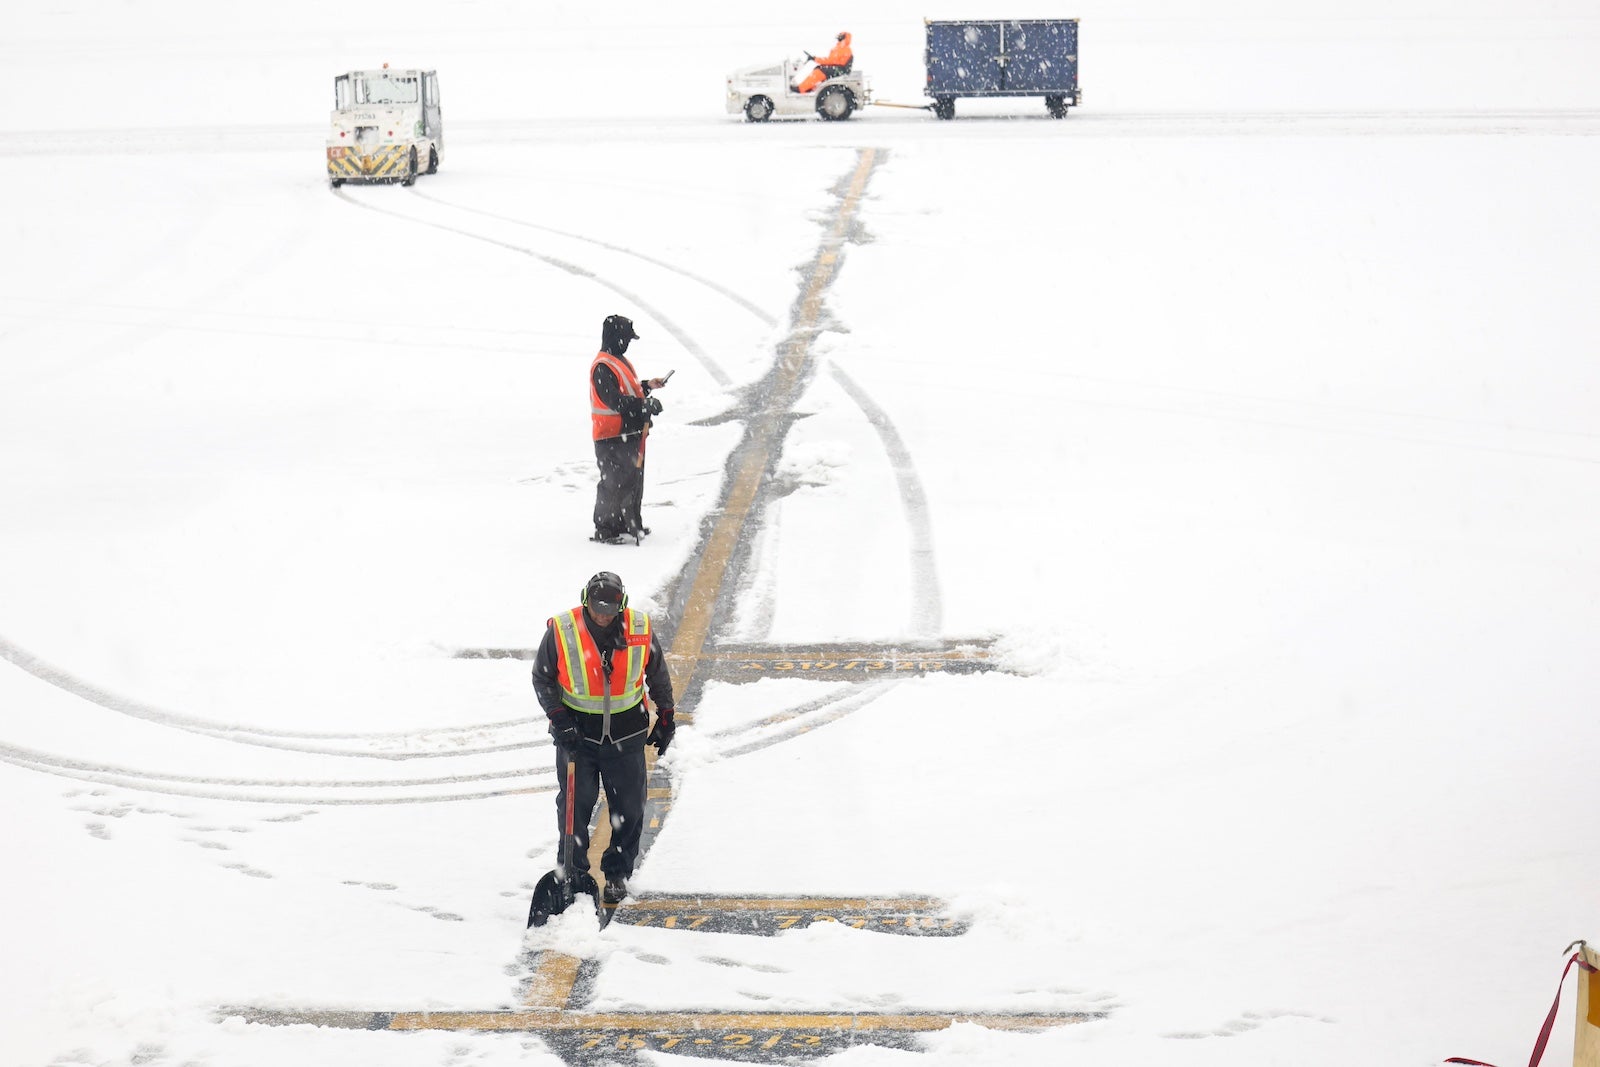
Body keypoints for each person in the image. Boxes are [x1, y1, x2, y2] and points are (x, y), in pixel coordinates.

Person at [532, 571, 677, 905]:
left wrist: (666, 714)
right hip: (577, 739)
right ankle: (573, 874)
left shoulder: (639, 628)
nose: (603, 616)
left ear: (621, 605)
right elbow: (542, 678)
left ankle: (617, 874)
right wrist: (559, 719)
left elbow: (657, 673)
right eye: (597, 609)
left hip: (627, 735)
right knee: (574, 809)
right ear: (586, 601)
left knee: (629, 808)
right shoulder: (563, 630)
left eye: (610, 610)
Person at [590, 314, 670, 545]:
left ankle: (628, 522)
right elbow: (615, 401)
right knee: (613, 484)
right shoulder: (602, 367)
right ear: (615, 337)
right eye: (625, 339)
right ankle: (605, 528)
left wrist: (646, 386)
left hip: (630, 432)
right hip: (611, 435)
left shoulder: (619, 361)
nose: (627, 343)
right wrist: (643, 405)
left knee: (632, 480)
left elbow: (628, 392)